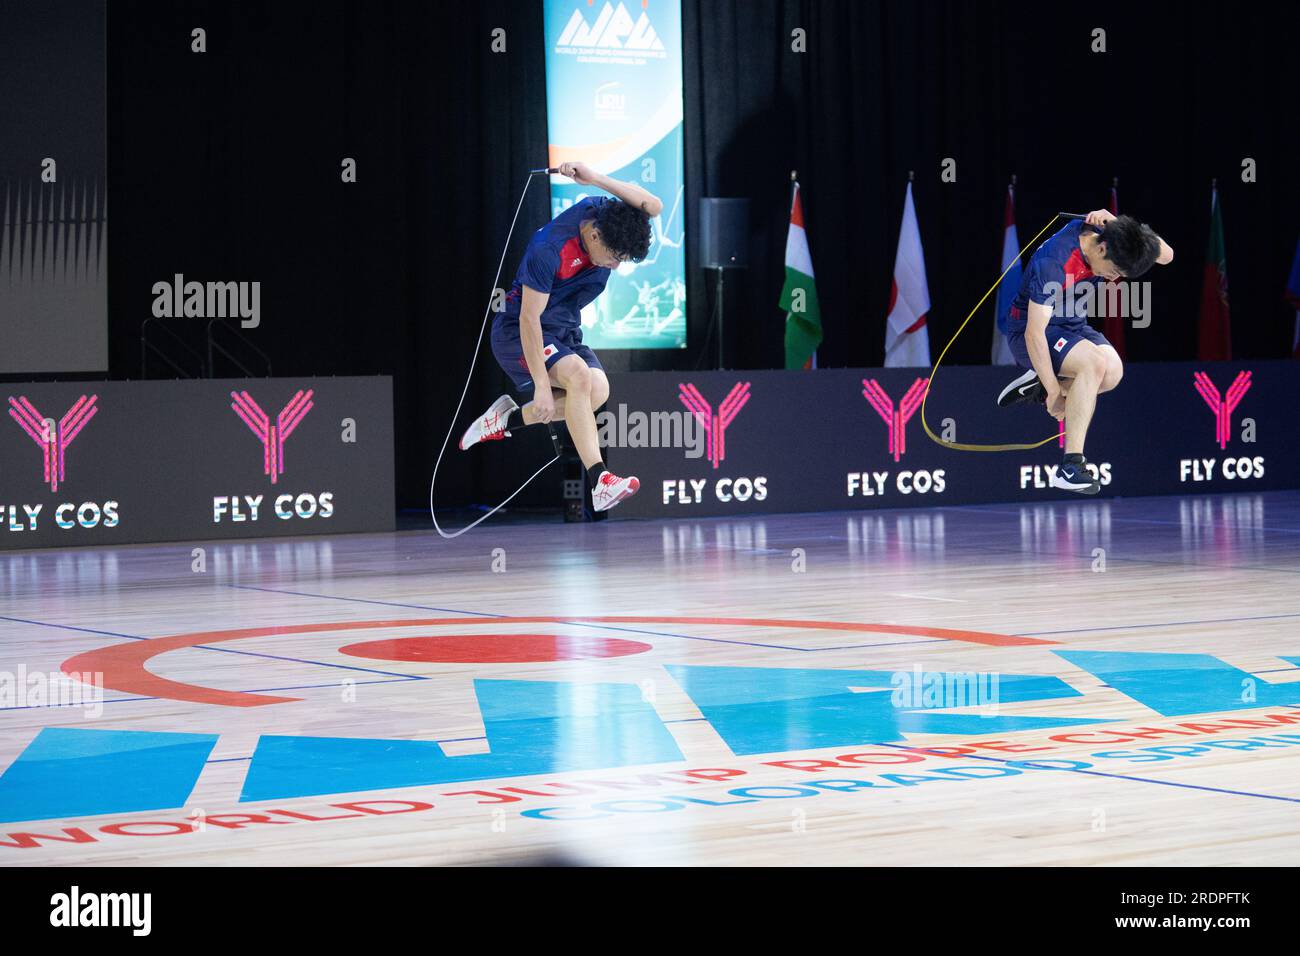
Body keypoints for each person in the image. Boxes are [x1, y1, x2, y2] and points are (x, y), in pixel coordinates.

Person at [459, 161, 661, 512]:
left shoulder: (603, 215)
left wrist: (596, 177)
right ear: (595, 237)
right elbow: (528, 319)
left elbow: (653, 207)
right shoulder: (548, 250)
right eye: (614, 258)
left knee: (597, 391)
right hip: (518, 332)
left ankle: (505, 420)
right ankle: (600, 480)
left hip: (564, 329)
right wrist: (540, 384)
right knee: (578, 378)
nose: (614, 266)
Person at [996, 209, 1173, 493]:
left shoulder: (1109, 236)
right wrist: (1055, 394)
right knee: (1091, 365)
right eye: (1115, 271)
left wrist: (1116, 221)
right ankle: (1070, 466)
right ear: (1101, 248)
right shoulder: (1054, 261)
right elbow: (1033, 333)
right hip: (1029, 332)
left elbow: (1168, 255)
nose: (1114, 280)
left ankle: (1040, 380)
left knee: (1113, 372)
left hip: (1072, 325)